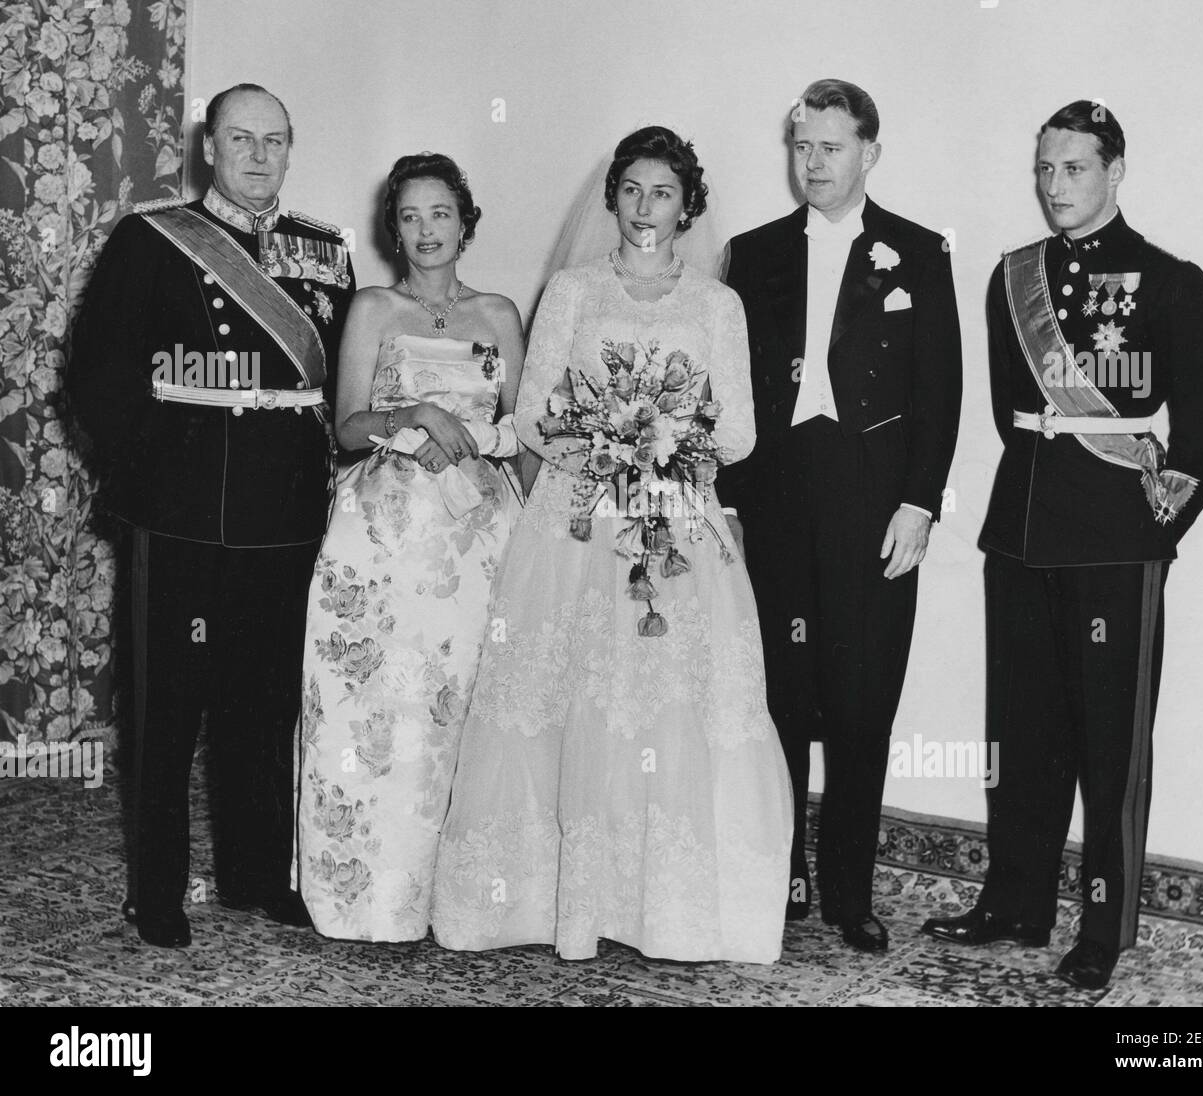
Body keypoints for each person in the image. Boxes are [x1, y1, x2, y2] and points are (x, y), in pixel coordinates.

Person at [431, 126, 793, 963]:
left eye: (662, 193)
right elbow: (530, 414)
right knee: (572, 699)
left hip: (675, 522)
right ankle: (552, 903)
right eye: (631, 190)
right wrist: (606, 444)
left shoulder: (718, 305)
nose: (644, 208)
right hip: (579, 520)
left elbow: (739, 432)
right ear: (613, 199)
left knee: (665, 703)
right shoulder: (572, 291)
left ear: (687, 207)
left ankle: (667, 909)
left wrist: (663, 447)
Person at [921, 101, 1203, 989]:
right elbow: (1011, 412)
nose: (1055, 186)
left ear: (1115, 171)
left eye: (1075, 169)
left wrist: (1155, 522)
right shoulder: (1012, 276)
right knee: (1019, 732)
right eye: (1046, 169)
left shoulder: (1169, 281)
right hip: (1022, 529)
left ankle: (1103, 925)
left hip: (1111, 540)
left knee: (1109, 743)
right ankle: (1014, 902)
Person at [67, 84, 356, 947]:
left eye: (274, 140)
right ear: (208, 146)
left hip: (286, 509)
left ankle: (254, 873)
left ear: (290, 147)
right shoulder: (153, 238)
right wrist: (148, 476)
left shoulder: (326, 251)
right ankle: (156, 889)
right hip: (180, 511)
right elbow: (99, 374)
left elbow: (346, 375)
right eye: (241, 138)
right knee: (166, 706)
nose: (258, 156)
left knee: (265, 702)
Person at [716, 79, 962, 951]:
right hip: (779, 494)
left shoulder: (919, 252)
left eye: (830, 147)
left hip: (874, 500)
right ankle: (782, 870)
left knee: (863, 699)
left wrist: (920, 503)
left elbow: (940, 389)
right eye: (801, 147)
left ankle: (851, 892)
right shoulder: (753, 254)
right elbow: (728, 389)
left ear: (869, 152)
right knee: (781, 692)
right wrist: (731, 505)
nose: (813, 163)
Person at [294, 153, 524, 941]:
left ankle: (461, 899)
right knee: (380, 707)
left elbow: (523, 429)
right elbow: (346, 425)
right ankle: (369, 897)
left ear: (466, 221)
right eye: (410, 216)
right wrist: (414, 415)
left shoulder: (498, 314)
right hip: (384, 535)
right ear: (393, 228)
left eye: (441, 214)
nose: (427, 231)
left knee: (462, 706)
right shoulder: (374, 308)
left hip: (477, 534)